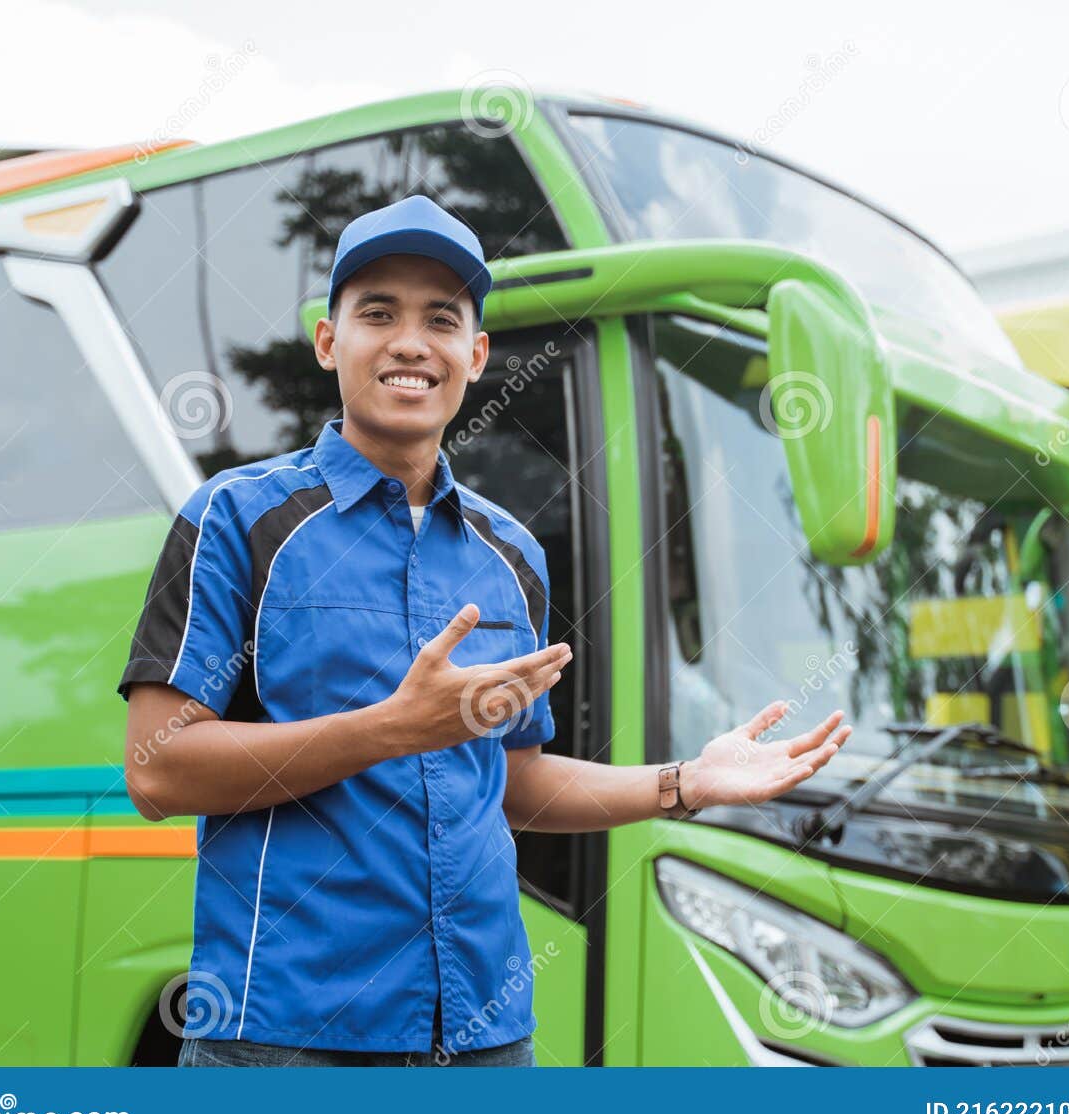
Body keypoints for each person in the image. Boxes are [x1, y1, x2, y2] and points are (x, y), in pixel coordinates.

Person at [119, 195, 852, 1067]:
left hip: (485, 1037)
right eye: (377, 313)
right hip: (286, 1039)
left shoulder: (511, 552)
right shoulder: (239, 520)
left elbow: (514, 781)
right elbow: (157, 770)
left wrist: (684, 781)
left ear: (474, 355)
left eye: (441, 318)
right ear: (328, 341)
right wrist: (392, 728)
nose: (410, 342)